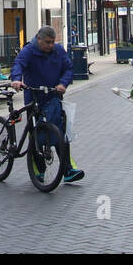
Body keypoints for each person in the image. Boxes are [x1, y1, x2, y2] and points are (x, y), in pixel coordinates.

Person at [10, 26, 84, 182]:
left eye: (52, 42)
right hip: (33, 96)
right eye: (47, 42)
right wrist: (16, 79)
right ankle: (38, 170)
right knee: (34, 133)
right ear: (39, 39)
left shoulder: (58, 51)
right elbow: (19, 64)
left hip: (52, 95)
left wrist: (63, 83)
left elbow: (68, 69)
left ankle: (68, 170)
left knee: (59, 130)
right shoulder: (29, 50)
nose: (50, 46)